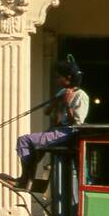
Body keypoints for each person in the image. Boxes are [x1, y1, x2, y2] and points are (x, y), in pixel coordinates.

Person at [13, 59, 89, 188]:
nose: (57, 80)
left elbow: (77, 123)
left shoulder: (81, 96)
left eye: (59, 77)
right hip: (57, 129)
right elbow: (46, 112)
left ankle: (25, 177)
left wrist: (67, 104)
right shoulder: (61, 92)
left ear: (68, 77)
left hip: (69, 131)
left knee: (24, 140)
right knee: (35, 148)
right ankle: (28, 178)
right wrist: (55, 102)